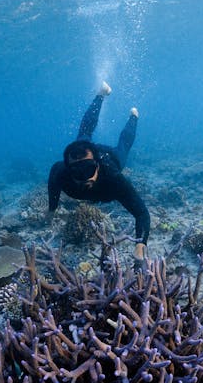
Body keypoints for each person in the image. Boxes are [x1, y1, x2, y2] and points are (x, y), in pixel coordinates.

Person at [48, 83, 150, 262]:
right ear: (69, 169)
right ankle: (100, 95)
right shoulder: (61, 172)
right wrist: (52, 209)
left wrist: (141, 245)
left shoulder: (113, 178)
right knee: (83, 135)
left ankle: (133, 117)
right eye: (77, 172)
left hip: (111, 158)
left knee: (123, 146)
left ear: (97, 166)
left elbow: (141, 213)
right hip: (89, 152)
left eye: (88, 170)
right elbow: (53, 185)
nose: (84, 178)